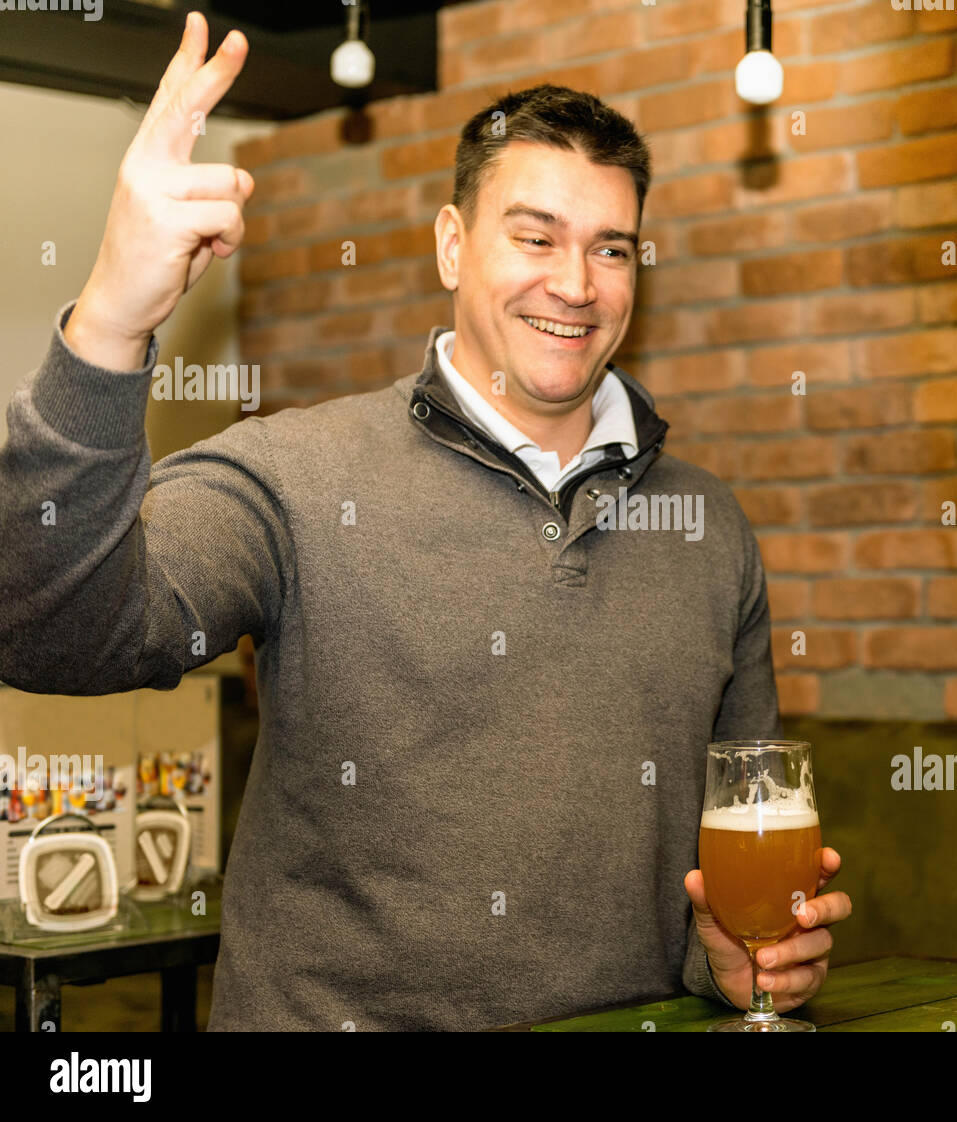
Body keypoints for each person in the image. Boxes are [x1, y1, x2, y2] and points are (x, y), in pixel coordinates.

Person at [0, 13, 850, 1030]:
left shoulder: (708, 526)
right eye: (533, 237)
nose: (574, 285)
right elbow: (51, 630)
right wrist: (111, 319)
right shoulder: (294, 476)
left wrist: (732, 961)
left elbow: (728, 878)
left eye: (609, 249)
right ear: (452, 246)